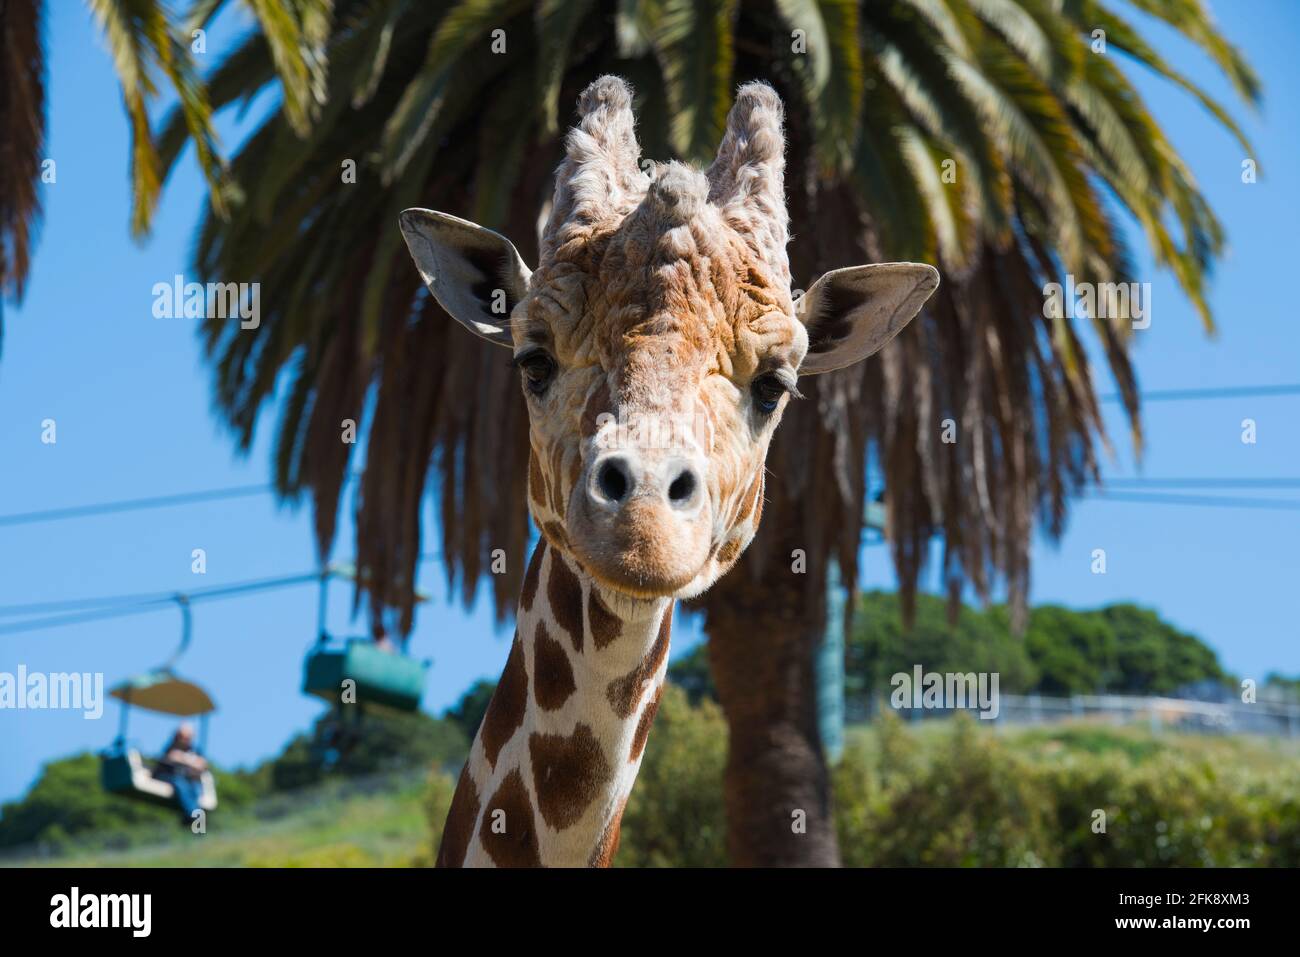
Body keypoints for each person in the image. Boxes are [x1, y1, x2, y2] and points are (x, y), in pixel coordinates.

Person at [157, 722, 208, 825]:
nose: (184, 739)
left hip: (188, 780)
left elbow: (202, 764)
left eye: (187, 737)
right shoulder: (171, 746)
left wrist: (184, 759)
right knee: (181, 784)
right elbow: (173, 756)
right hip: (168, 777)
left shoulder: (195, 749)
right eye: (182, 736)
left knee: (196, 789)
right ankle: (195, 818)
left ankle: (190, 818)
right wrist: (191, 761)